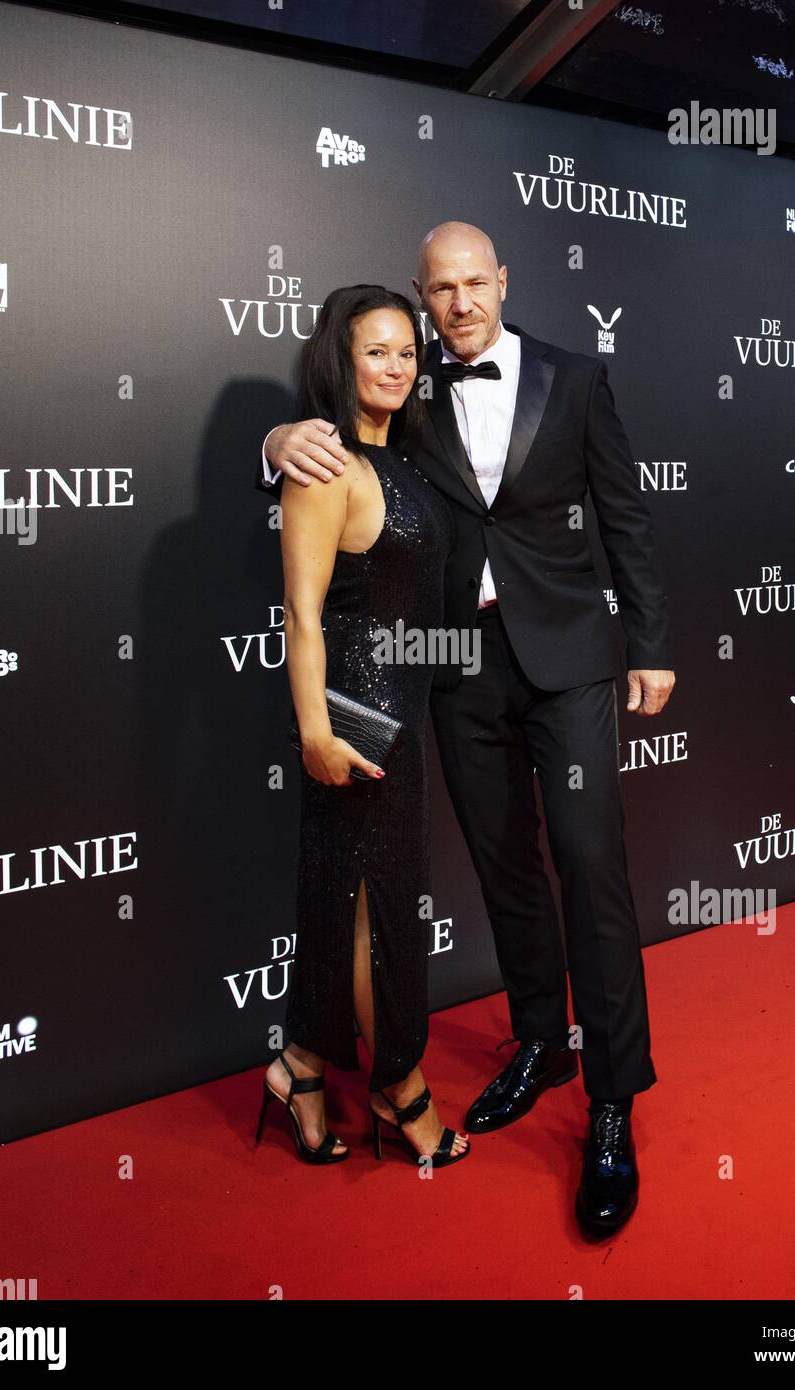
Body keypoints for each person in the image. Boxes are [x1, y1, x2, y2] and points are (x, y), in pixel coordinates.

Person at [258, 224, 675, 1233]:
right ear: (419, 295)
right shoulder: (415, 390)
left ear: (502, 282)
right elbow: (338, 444)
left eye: (473, 283)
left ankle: (611, 1098)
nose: (457, 303)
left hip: (571, 658)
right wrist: (270, 441)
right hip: (455, 668)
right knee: (504, 866)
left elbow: (623, 514)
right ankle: (540, 1040)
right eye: (437, 290)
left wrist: (650, 640)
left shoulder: (575, 379)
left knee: (590, 861)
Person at [254, 283, 470, 1170]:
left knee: (358, 907)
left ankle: (302, 1065)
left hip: (401, 716)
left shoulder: (410, 461)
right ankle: (399, 1090)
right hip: (354, 719)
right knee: (371, 917)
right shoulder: (324, 466)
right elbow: (301, 614)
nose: (396, 366)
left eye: (407, 352)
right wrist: (314, 730)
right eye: (375, 350)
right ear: (341, 361)